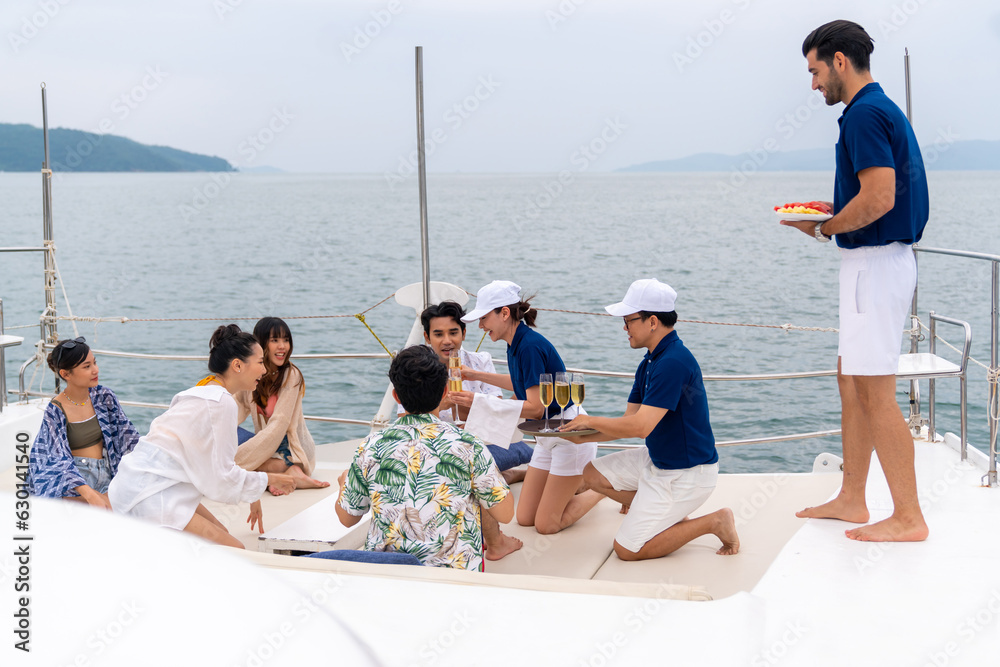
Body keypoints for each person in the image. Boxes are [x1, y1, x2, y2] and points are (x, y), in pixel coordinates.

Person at [781, 20, 929, 542]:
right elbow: (874, 195)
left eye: (815, 70)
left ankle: (909, 517)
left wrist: (822, 225)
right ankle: (852, 497)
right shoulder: (878, 109)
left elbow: (881, 198)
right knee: (852, 381)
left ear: (839, 61)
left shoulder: (863, 115)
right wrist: (836, 210)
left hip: (876, 264)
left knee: (874, 392)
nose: (814, 83)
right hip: (875, 263)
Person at [560, 279, 740, 561]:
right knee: (592, 474)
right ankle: (660, 511)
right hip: (659, 459)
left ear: (652, 321)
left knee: (627, 550)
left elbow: (640, 427)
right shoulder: (650, 362)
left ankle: (713, 521)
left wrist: (589, 419)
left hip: (687, 473)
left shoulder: (673, 363)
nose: (624, 328)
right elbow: (628, 421)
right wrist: (571, 434)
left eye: (628, 320)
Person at [109, 325, 296, 548]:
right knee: (235, 551)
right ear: (237, 365)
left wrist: (253, 491)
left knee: (222, 533)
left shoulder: (199, 391)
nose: (264, 370)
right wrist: (269, 479)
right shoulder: (222, 402)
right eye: (259, 362)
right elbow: (221, 479)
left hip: (135, 484)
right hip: (150, 494)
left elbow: (210, 469)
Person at [336, 345, 514, 570]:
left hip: (387, 574)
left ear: (396, 396)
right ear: (444, 392)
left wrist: (344, 483)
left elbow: (347, 518)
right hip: (454, 578)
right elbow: (506, 514)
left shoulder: (370, 447)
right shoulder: (468, 445)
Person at [455, 280, 602, 535]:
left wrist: (481, 403)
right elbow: (522, 383)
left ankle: (599, 491)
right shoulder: (516, 343)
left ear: (504, 313)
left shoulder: (529, 347)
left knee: (546, 525)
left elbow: (535, 408)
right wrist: (476, 376)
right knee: (524, 518)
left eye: (484, 318)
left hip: (568, 432)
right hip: (546, 434)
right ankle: (573, 484)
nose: (480, 325)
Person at [416, 301, 534, 480]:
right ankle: (503, 475)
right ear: (427, 337)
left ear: (463, 334)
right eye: (438, 334)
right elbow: (408, 421)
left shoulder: (480, 362)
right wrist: (443, 406)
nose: (447, 341)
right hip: (436, 445)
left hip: (480, 443)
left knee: (465, 464)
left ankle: (503, 474)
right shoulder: (416, 368)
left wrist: (462, 404)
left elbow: (495, 415)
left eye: (453, 333)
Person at [28, 337, 140, 508]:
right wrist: (88, 493)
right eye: (87, 367)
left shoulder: (104, 397)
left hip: (108, 473)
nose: (95, 370)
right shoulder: (56, 409)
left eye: (94, 363)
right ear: (65, 374)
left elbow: (128, 437)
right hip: (76, 484)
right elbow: (55, 459)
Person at [232, 317, 329, 495]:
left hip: (290, 449)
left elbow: (278, 427)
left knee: (245, 466)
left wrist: (232, 460)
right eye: (275, 340)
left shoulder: (291, 376)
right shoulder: (255, 374)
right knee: (227, 434)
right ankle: (286, 476)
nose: (282, 346)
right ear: (261, 345)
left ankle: (291, 471)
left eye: (286, 340)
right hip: (266, 443)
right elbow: (235, 405)